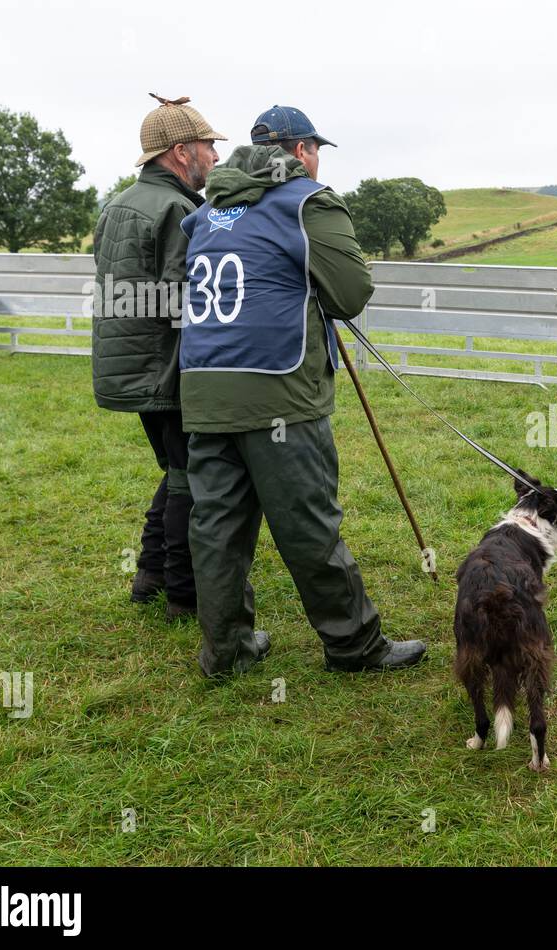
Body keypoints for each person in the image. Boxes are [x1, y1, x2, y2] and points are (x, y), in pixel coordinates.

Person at [179, 105, 426, 677]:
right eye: (316, 150)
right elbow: (349, 293)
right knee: (308, 522)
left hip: (204, 386)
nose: (317, 161)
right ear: (299, 152)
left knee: (217, 527)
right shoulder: (308, 202)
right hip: (278, 390)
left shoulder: (208, 210)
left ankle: (226, 651)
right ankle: (353, 646)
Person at [91, 94, 225, 621]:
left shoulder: (118, 202)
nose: (215, 158)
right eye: (208, 147)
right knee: (191, 478)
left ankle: (149, 575)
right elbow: (182, 298)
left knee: (175, 470)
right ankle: (184, 597)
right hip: (164, 366)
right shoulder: (178, 208)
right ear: (178, 151)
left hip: (130, 365)